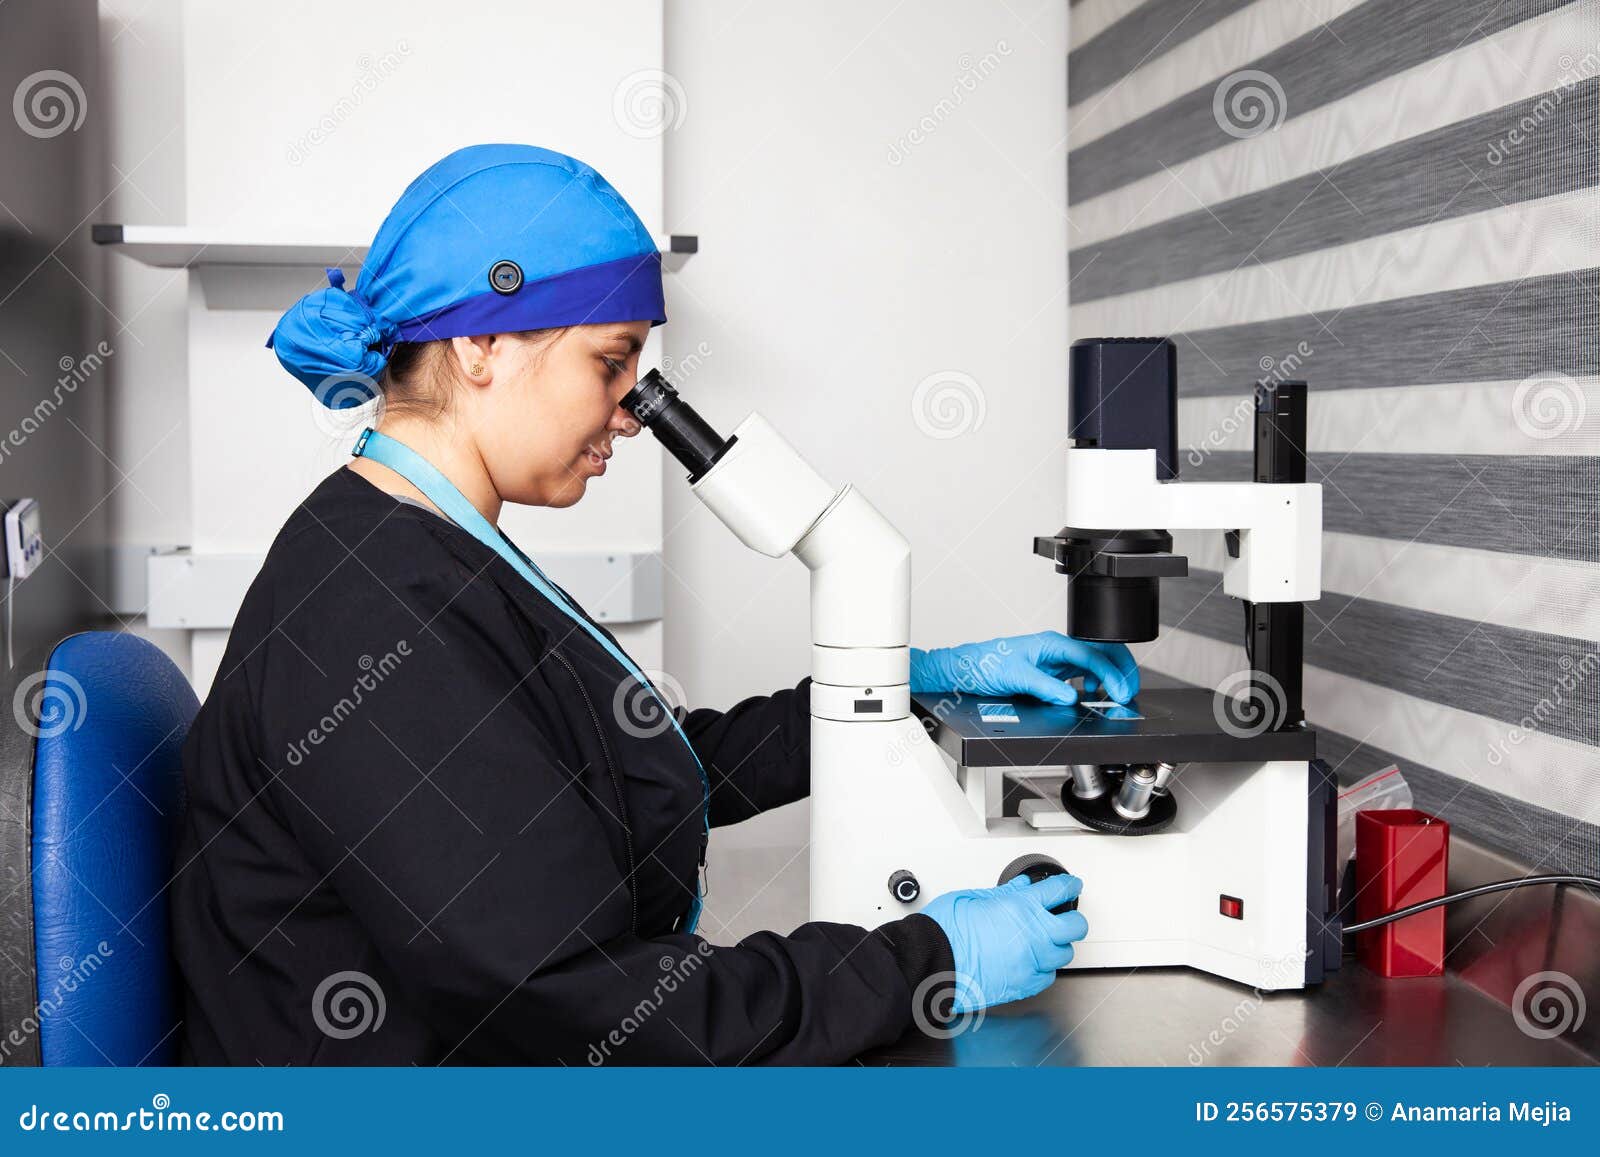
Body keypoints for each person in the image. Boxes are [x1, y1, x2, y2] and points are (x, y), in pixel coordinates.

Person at [171, 143, 1141, 1065]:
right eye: (611, 360)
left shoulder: (420, 545)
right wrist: (921, 961)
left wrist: (909, 688)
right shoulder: (370, 611)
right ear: (479, 344)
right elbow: (572, 999)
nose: (633, 409)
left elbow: (625, 773)